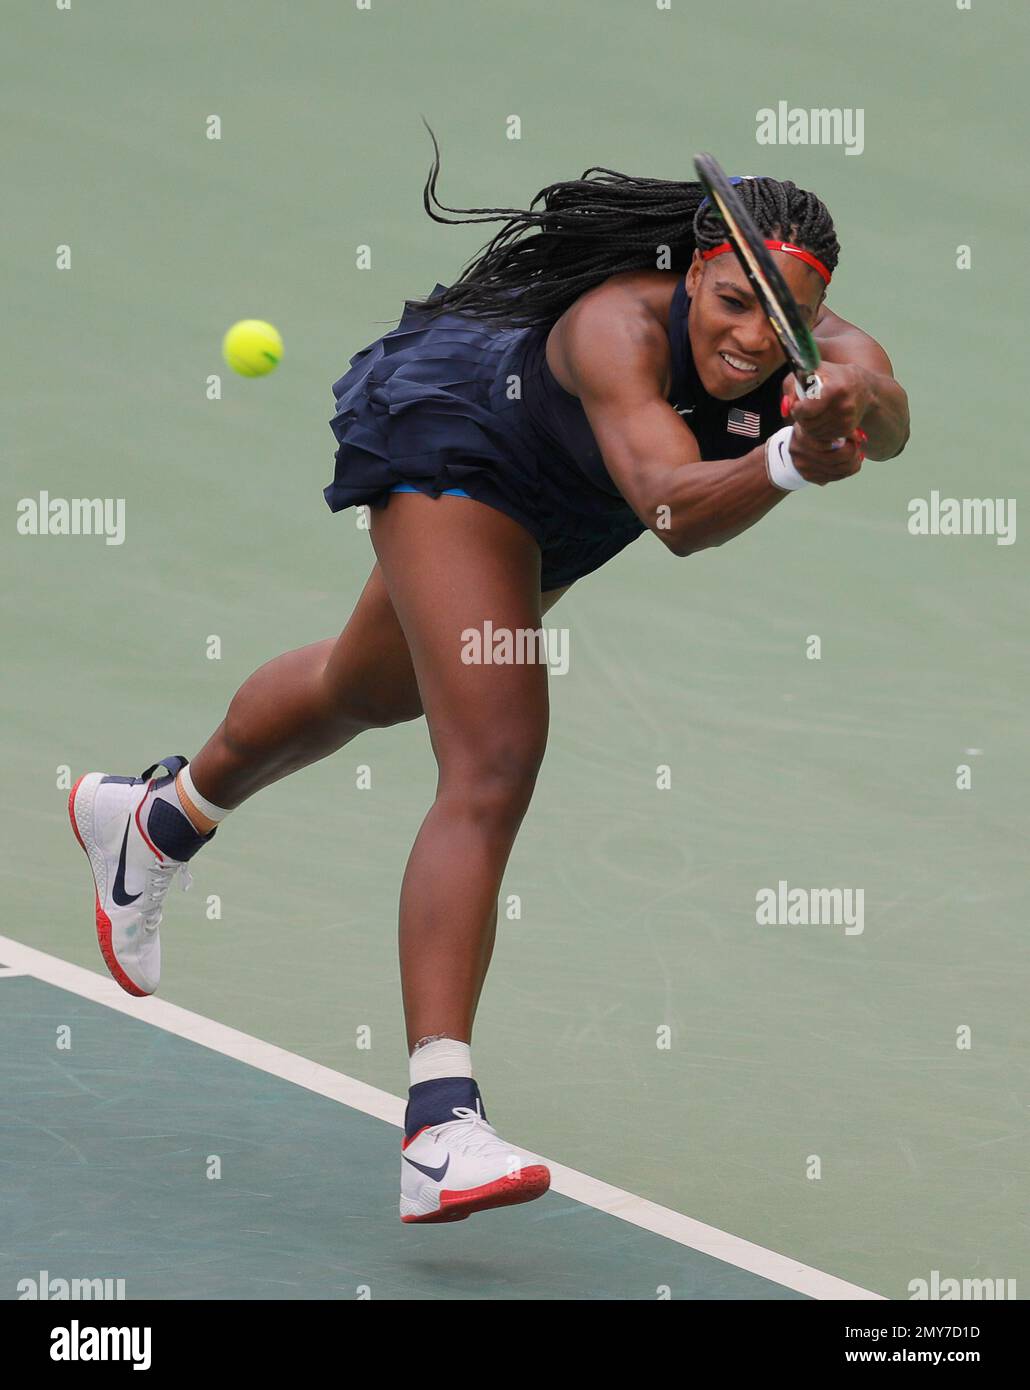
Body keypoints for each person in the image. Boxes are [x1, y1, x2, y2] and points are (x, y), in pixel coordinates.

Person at [69, 136, 910, 1225]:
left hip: (567, 506)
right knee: (494, 756)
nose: (751, 338)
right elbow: (671, 511)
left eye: (782, 315)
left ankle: (152, 822)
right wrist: (793, 456)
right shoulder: (611, 326)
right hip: (465, 442)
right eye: (731, 302)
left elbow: (884, 415)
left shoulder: (818, 343)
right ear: (694, 269)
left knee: (361, 686)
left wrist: (857, 400)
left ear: (817, 307)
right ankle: (438, 1124)